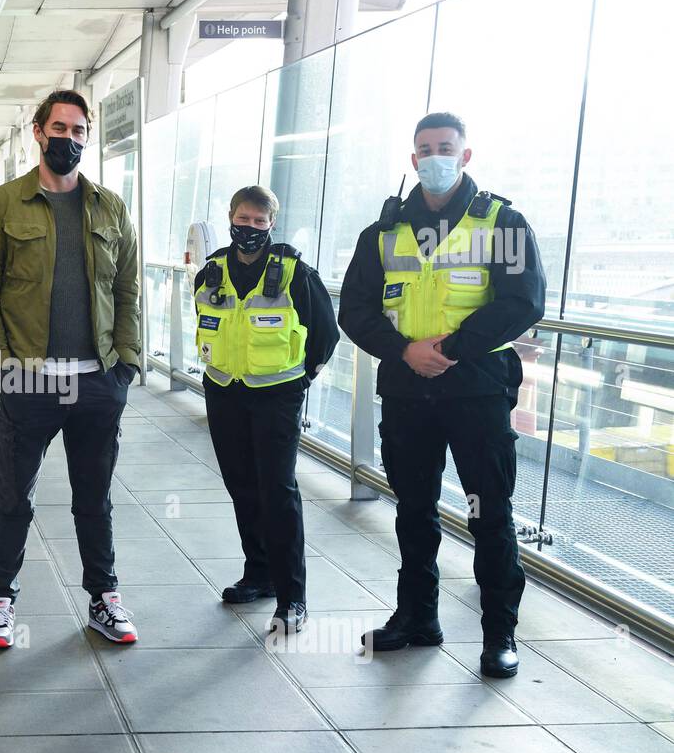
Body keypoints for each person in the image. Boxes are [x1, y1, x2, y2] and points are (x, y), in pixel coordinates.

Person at [338, 112, 546, 678]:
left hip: (476, 391)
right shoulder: (383, 232)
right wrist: (405, 351)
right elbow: (353, 308)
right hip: (408, 392)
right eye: (425, 149)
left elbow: (524, 301)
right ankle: (417, 618)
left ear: (465, 154)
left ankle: (499, 633)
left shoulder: (502, 222)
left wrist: (451, 348)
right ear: (412, 159)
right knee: (414, 511)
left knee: (490, 515)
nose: (435, 157)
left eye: (445, 147)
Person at [0, 89, 142, 649]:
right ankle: (0, 604)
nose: (69, 138)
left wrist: (127, 366)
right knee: (14, 496)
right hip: (31, 384)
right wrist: (1, 368)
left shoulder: (110, 208)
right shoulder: (2, 205)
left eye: (78, 130)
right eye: (59, 128)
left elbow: (127, 289)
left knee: (95, 499)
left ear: (88, 137)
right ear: (37, 133)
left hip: (96, 381)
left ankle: (103, 599)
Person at [195, 185, 338, 634]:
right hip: (223, 391)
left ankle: (292, 596)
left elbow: (326, 335)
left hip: (277, 396)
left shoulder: (296, 273)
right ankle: (258, 574)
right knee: (242, 485)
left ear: (271, 224)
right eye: (243, 219)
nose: (250, 228)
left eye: (259, 222)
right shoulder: (212, 271)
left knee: (278, 491)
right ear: (230, 217)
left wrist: (301, 378)